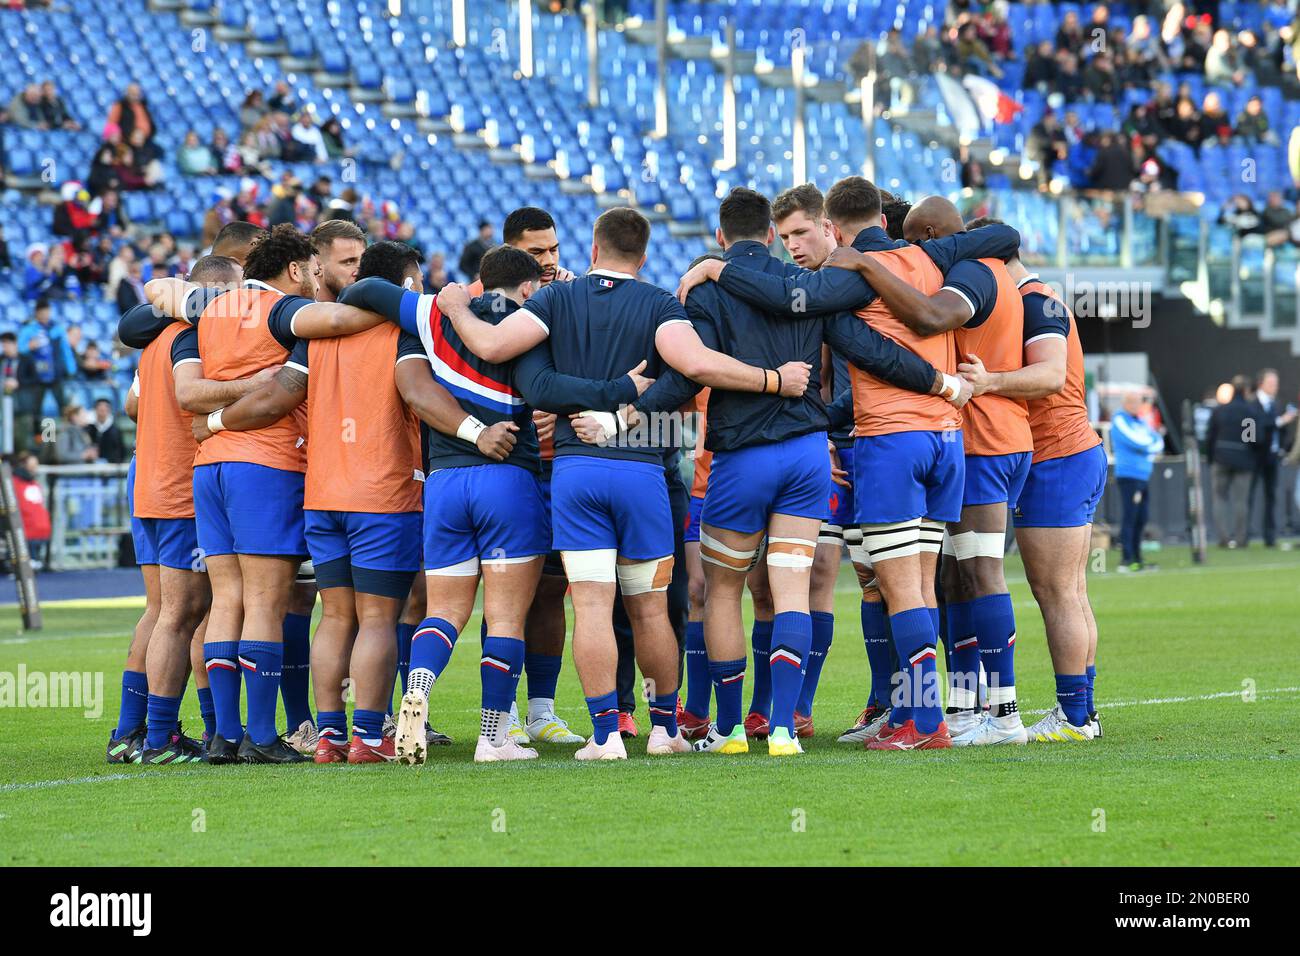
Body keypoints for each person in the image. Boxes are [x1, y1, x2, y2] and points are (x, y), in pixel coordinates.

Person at [435, 206, 812, 759]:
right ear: (643, 254)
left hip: (575, 470)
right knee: (651, 606)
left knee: (589, 605)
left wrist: (454, 308)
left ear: (591, 250)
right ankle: (664, 730)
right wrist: (772, 379)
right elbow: (696, 368)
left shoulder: (554, 300)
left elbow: (501, 355)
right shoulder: (661, 302)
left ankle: (606, 735)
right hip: (642, 473)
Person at [677, 178, 1016, 751]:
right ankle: (918, 712)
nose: (794, 248)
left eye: (802, 234)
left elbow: (811, 314)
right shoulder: (932, 255)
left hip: (891, 440)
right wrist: (944, 382)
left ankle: (924, 723)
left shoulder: (839, 280)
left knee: (899, 587)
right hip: (948, 438)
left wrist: (719, 271)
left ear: (833, 228)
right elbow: (1002, 234)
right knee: (923, 585)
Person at [142, 225, 394, 764]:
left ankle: (223, 736)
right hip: (267, 462)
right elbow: (341, 319)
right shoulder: (281, 311)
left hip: (209, 467)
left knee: (227, 599)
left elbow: (185, 386)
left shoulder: (203, 316)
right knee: (264, 601)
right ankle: (260, 734)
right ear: (298, 269)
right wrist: (411, 301)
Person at [828, 196, 1033, 748]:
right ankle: (953, 709)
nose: (914, 252)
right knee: (943, 582)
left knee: (963, 578)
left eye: (918, 238)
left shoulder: (969, 273)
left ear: (935, 231)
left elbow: (930, 316)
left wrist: (867, 267)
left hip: (969, 439)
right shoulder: (969, 263)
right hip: (956, 438)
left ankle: (984, 713)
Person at [962, 216, 1106, 742]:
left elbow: (1047, 374)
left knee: (1056, 592)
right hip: (1072, 454)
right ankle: (1082, 711)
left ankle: (1073, 716)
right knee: (1071, 590)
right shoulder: (1038, 299)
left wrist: (988, 382)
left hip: (1056, 457)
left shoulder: (1034, 302)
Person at [1111, 390, 1164, 569]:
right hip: (1129, 475)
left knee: (1142, 518)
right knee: (1130, 517)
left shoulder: (1140, 421)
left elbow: (1158, 441)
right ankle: (1127, 559)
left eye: (1139, 402)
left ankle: (1137, 558)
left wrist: (1150, 445)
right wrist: (1150, 446)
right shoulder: (1119, 419)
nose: (1136, 405)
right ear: (1125, 402)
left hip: (1143, 475)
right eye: (1133, 402)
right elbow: (1138, 442)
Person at [1247, 369, 1295, 547]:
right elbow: (1249, 432)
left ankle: (1270, 537)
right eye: (1271, 384)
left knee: (1272, 497)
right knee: (1248, 496)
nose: (1275, 387)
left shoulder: (1277, 404)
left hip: (1272, 456)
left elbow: (1281, 430)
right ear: (1261, 384)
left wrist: (1281, 447)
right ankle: (1244, 534)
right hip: (1255, 457)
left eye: (1276, 384)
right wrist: (1277, 422)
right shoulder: (1250, 404)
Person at [17, 298, 73, 424]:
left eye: (47, 312)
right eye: (42, 312)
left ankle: (65, 429)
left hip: (55, 374)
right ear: (37, 313)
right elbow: (20, 349)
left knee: (63, 404)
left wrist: (71, 368)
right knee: (36, 408)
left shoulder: (57, 329)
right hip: (37, 376)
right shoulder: (29, 330)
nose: (45, 315)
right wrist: (29, 347)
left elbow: (66, 350)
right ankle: (38, 436)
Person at [10, 451, 52, 570]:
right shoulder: (33, 483)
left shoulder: (14, 483)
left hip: (29, 529)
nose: (35, 470)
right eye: (32, 467)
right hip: (41, 528)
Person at [87, 398, 126, 463]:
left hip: (111, 466)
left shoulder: (115, 430)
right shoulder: (90, 428)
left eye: (105, 410)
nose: (102, 412)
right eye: (100, 409)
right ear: (95, 410)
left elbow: (120, 451)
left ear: (109, 410)